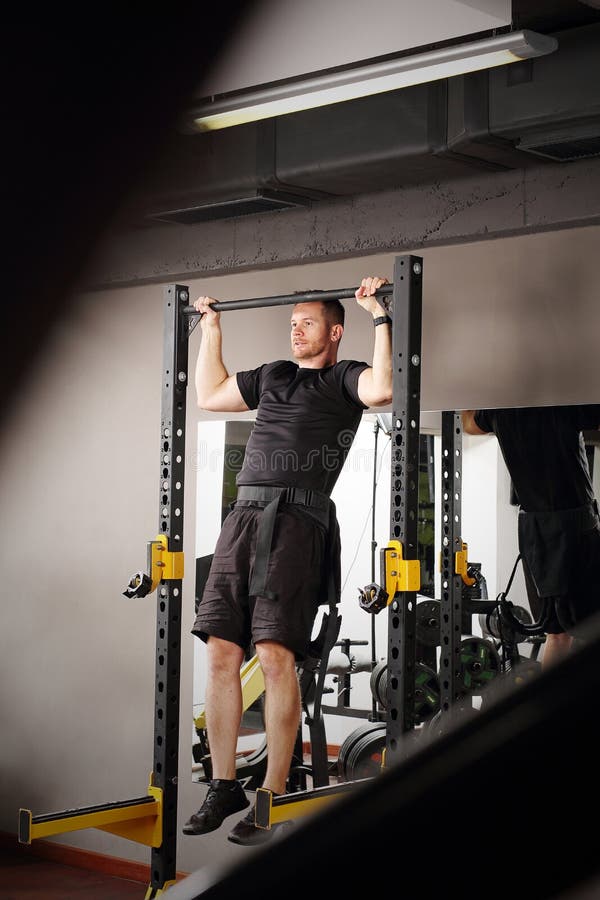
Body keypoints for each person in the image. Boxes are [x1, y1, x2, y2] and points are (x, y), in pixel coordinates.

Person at [183, 276, 393, 845]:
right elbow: (210, 394)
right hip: (244, 515)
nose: (296, 328)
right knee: (222, 650)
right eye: (292, 322)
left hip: (298, 522)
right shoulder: (274, 373)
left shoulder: (343, 376)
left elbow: (381, 391)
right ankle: (224, 784)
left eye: (307, 322)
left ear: (334, 331)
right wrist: (213, 330)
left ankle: (273, 791)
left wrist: (379, 317)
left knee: (276, 656)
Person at [461, 405, 600, 668]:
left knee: (557, 634)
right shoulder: (563, 403)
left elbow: (468, 423)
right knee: (576, 632)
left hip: (536, 532)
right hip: (573, 528)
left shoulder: (500, 411)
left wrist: (471, 390)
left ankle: (551, 704)